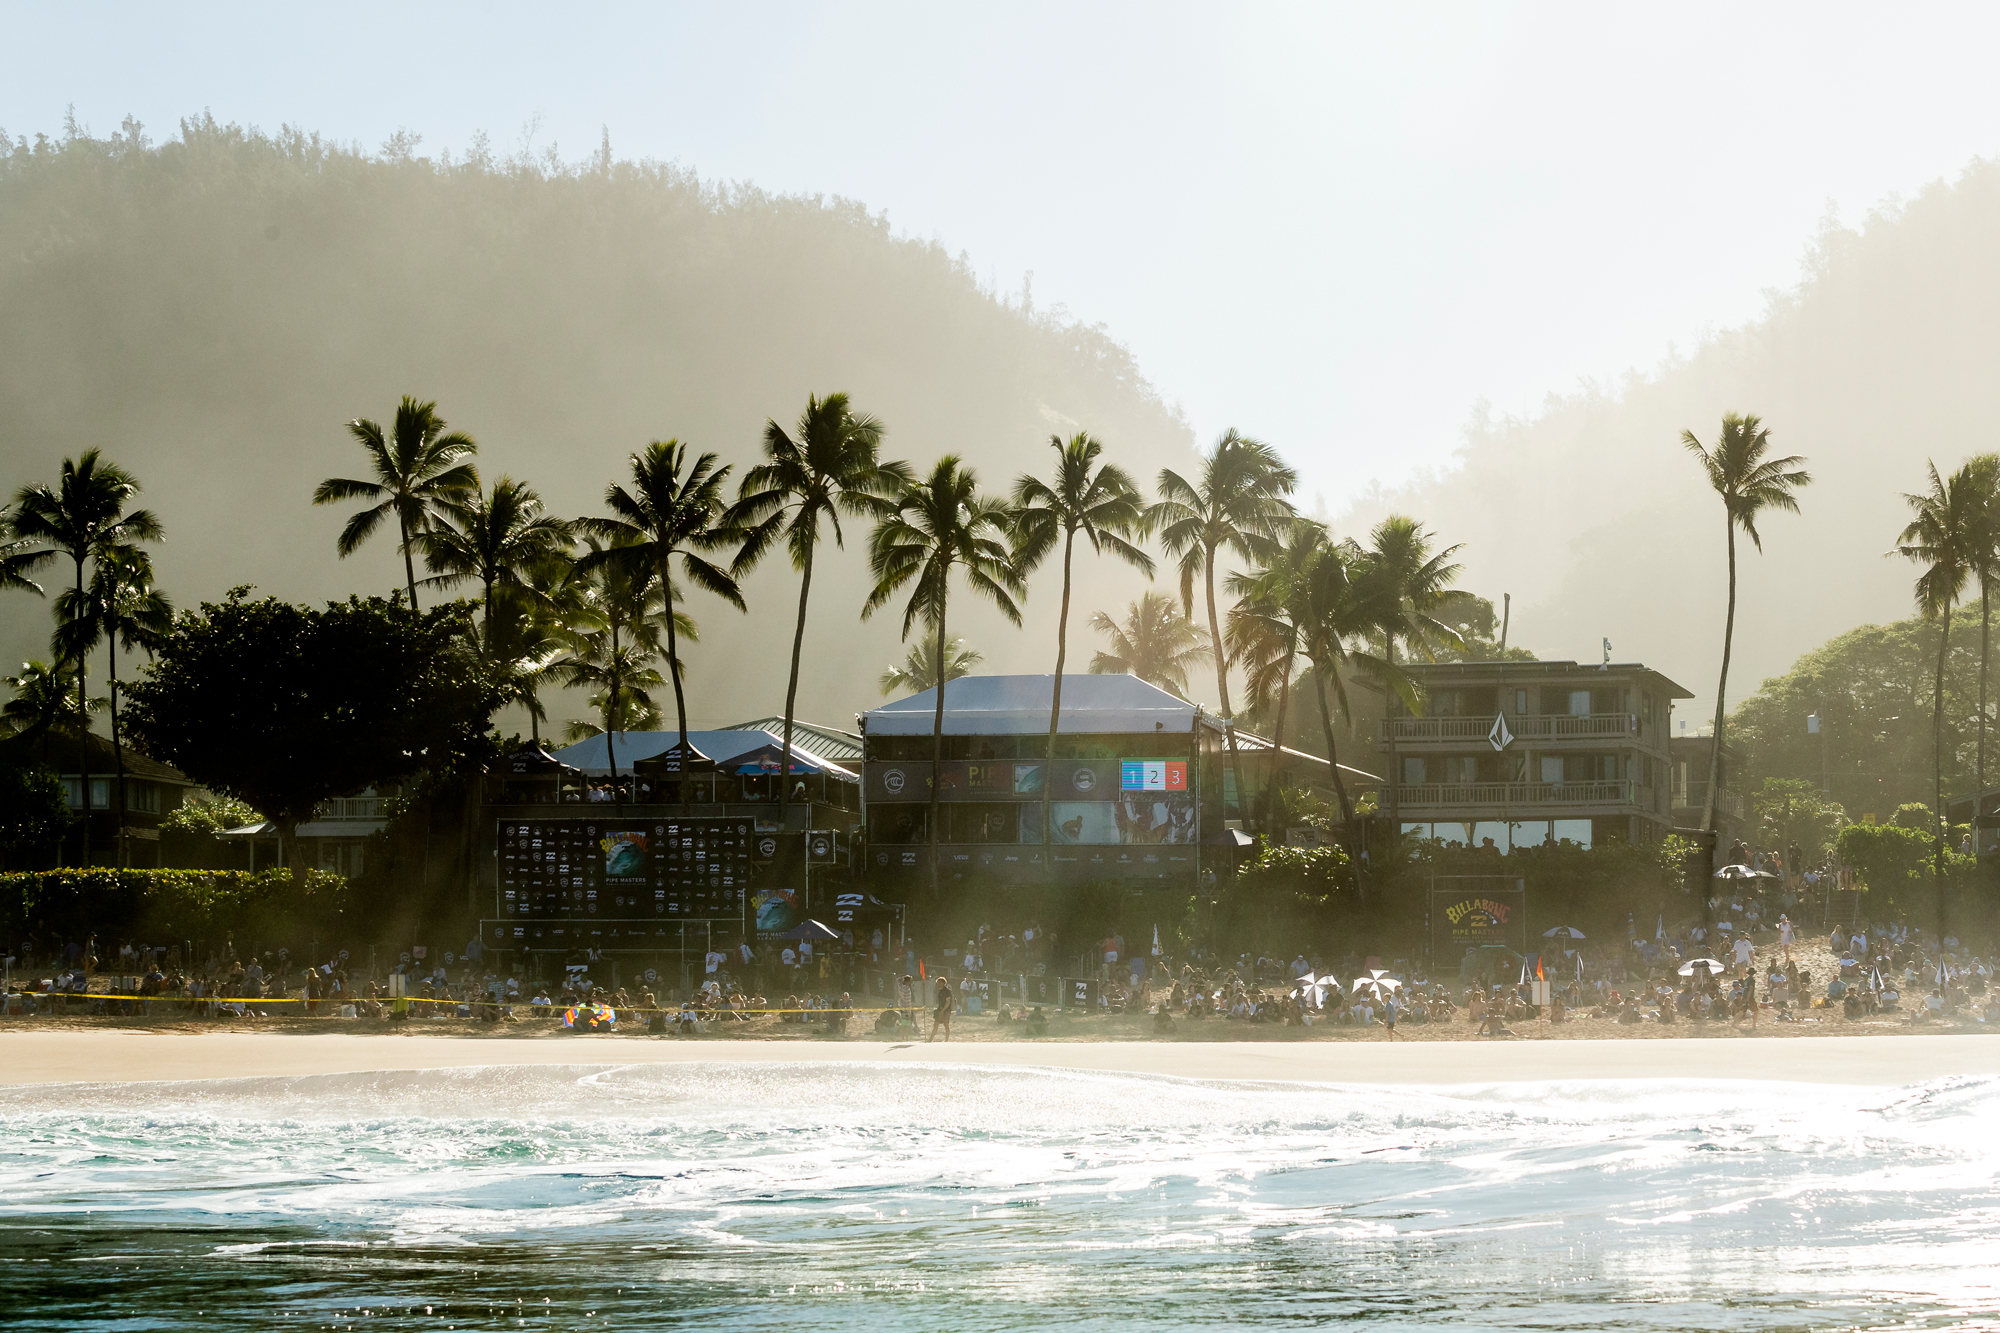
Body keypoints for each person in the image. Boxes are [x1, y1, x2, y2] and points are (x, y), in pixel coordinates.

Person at [929, 975, 955, 1042]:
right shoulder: (939, 991)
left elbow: (948, 1002)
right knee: (936, 1024)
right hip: (940, 1009)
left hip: (946, 1010)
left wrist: (943, 1011)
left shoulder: (947, 991)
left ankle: (946, 1040)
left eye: (940, 983)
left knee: (946, 1025)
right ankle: (930, 1039)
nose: (938, 984)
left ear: (944, 983)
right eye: (938, 983)